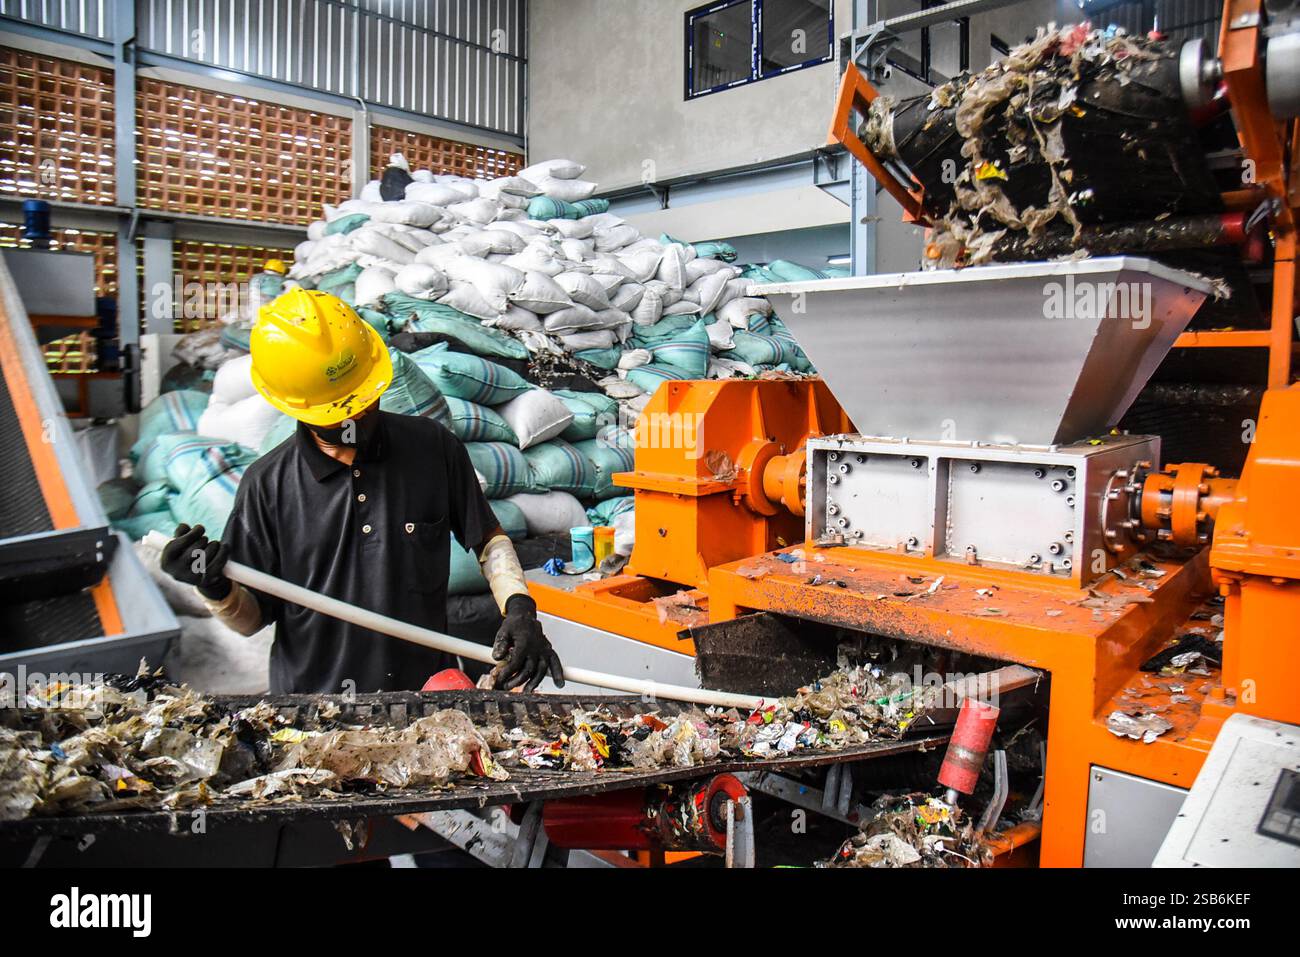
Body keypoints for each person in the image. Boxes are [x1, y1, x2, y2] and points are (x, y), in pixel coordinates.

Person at [161, 288, 564, 695]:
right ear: (300, 408)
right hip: (314, 710)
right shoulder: (268, 486)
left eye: (365, 401)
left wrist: (519, 608)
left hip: (428, 696)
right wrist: (213, 586)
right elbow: (251, 621)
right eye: (342, 412)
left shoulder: (431, 447)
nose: (359, 417)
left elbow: (487, 540)